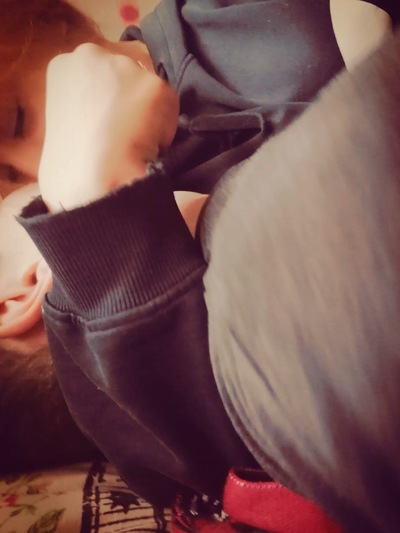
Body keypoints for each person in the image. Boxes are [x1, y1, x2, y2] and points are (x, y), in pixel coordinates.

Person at [1, 0, 400, 530]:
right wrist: (95, 203)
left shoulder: (222, 20)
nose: (36, 169)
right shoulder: (122, 357)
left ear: (55, 23)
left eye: (16, 120)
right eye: (6, 180)